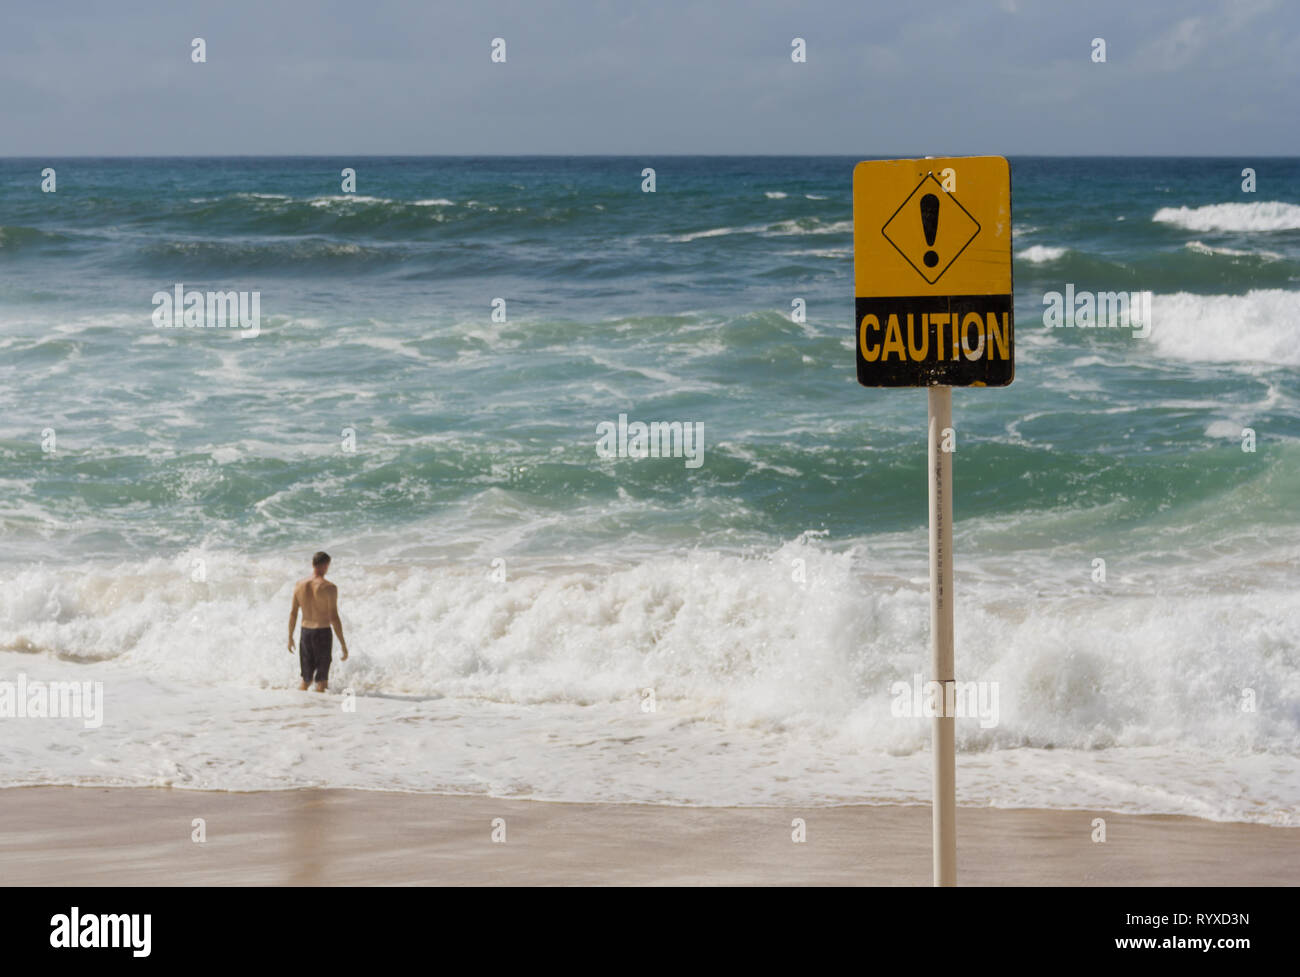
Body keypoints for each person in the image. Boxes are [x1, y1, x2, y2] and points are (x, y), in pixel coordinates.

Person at [287, 551, 349, 691]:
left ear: (313, 564)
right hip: (322, 634)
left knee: (305, 679)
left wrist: (290, 637)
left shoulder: (299, 585)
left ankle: (302, 708)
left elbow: (293, 613)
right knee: (322, 680)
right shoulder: (329, 587)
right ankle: (320, 708)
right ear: (325, 565)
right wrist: (343, 644)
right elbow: (333, 616)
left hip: (305, 633)